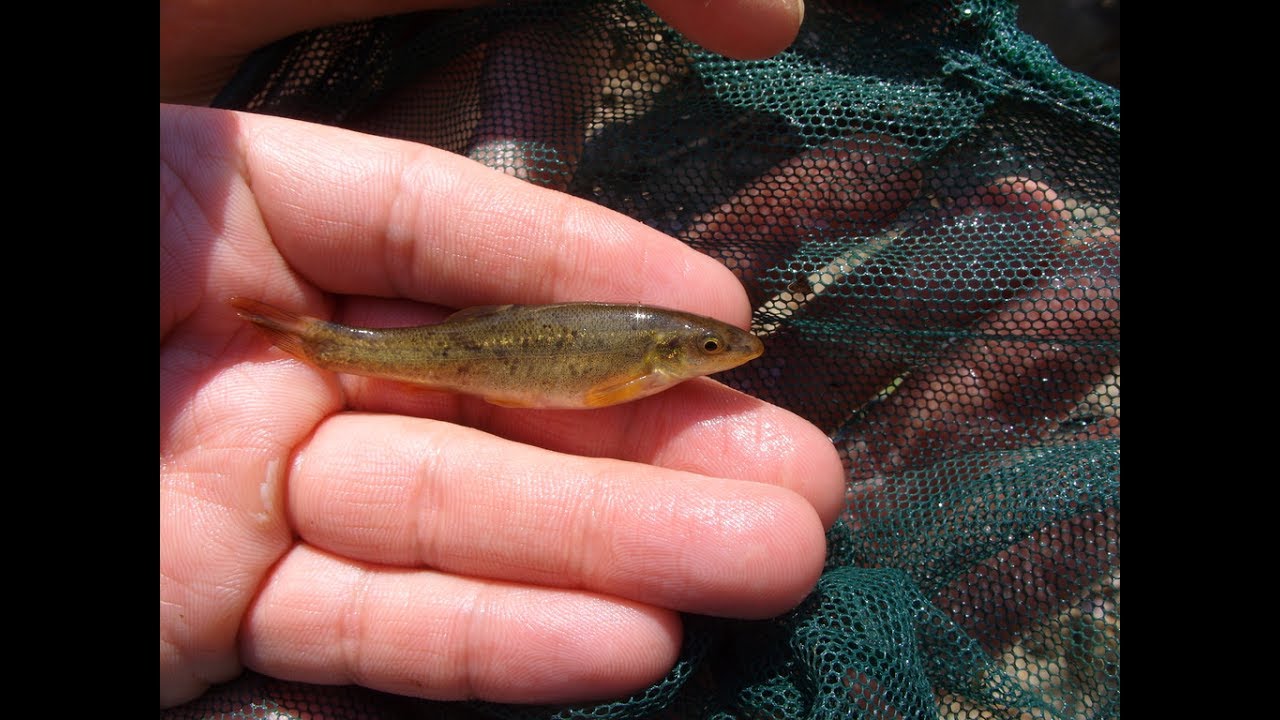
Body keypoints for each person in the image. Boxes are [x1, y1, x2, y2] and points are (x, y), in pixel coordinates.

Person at [160, 0, 845, 708]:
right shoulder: (645, 361)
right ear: (672, 350)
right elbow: (605, 395)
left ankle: (320, 347)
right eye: (708, 347)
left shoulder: (656, 359)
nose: (721, 354)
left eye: (713, 348)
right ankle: (316, 346)